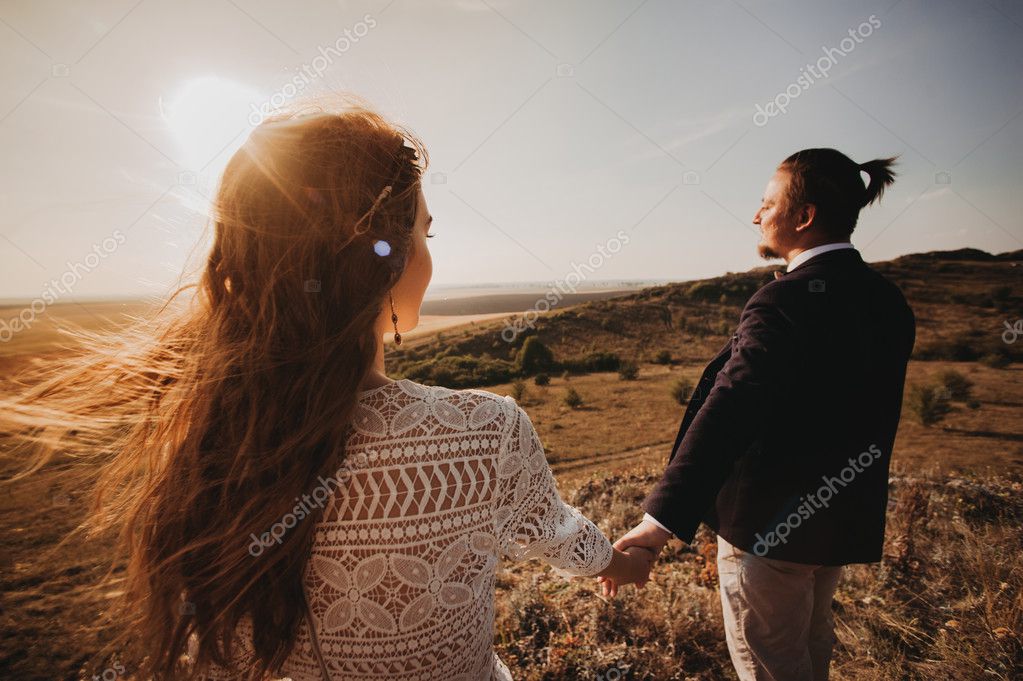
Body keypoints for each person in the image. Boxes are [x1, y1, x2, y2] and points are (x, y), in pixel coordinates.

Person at [1, 98, 654, 681]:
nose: (429, 253)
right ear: (381, 257)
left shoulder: (215, 439)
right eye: (422, 233)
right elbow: (562, 535)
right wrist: (620, 563)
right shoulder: (486, 433)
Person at [604, 148, 916, 681]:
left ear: (804, 216)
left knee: (772, 668)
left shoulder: (785, 302)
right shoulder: (887, 300)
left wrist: (657, 524)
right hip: (835, 525)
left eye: (766, 203)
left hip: (770, 533)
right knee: (812, 647)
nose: (755, 215)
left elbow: (731, 408)